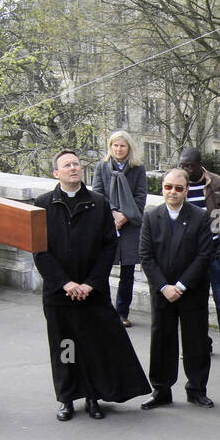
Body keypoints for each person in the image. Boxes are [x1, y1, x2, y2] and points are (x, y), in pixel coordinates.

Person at [34, 149, 151, 421]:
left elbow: (109, 246)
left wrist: (90, 283)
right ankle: (66, 398)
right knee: (65, 347)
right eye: (67, 165)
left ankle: (92, 396)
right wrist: (65, 283)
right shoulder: (43, 205)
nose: (74, 168)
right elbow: (40, 250)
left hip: (92, 292)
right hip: (59, 293)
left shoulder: (98, 203)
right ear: (56, 173)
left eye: (76, 163)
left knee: (91, 344)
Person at [138, 167, 215, 409]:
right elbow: (146, 256)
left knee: (196, 341)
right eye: (168, 187)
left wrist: (180, 286)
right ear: (162, 188)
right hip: (162, 292)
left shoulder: (201, 217)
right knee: (161, 340)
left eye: (178, 188)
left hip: (191, 291)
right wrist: (163, 286)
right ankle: (161, 390)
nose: (172, 192)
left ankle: (197, 389)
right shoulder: (151, 217)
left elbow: (204, 255)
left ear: (186, 191)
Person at [179, 148, 220, 362]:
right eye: (182, 165)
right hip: (190, 255)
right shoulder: (179, 185)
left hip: (215, 251)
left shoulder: (218, 184)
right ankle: (200, 344)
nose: (185, 169)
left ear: (199, 165)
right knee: (194, 302)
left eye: (189, 166)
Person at [89, 131, 148, 327]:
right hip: (108, 224)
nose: (118, 149)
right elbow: (97, 194)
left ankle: (122, 312)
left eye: (122, 146)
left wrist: (124, 216)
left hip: (130, 226)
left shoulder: (137, 169)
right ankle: (103, 309)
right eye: (115, 146)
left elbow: (140, 197)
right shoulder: (102, 167)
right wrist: (112, 214)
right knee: (103, 268)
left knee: (128, 272)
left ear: (128, 148)